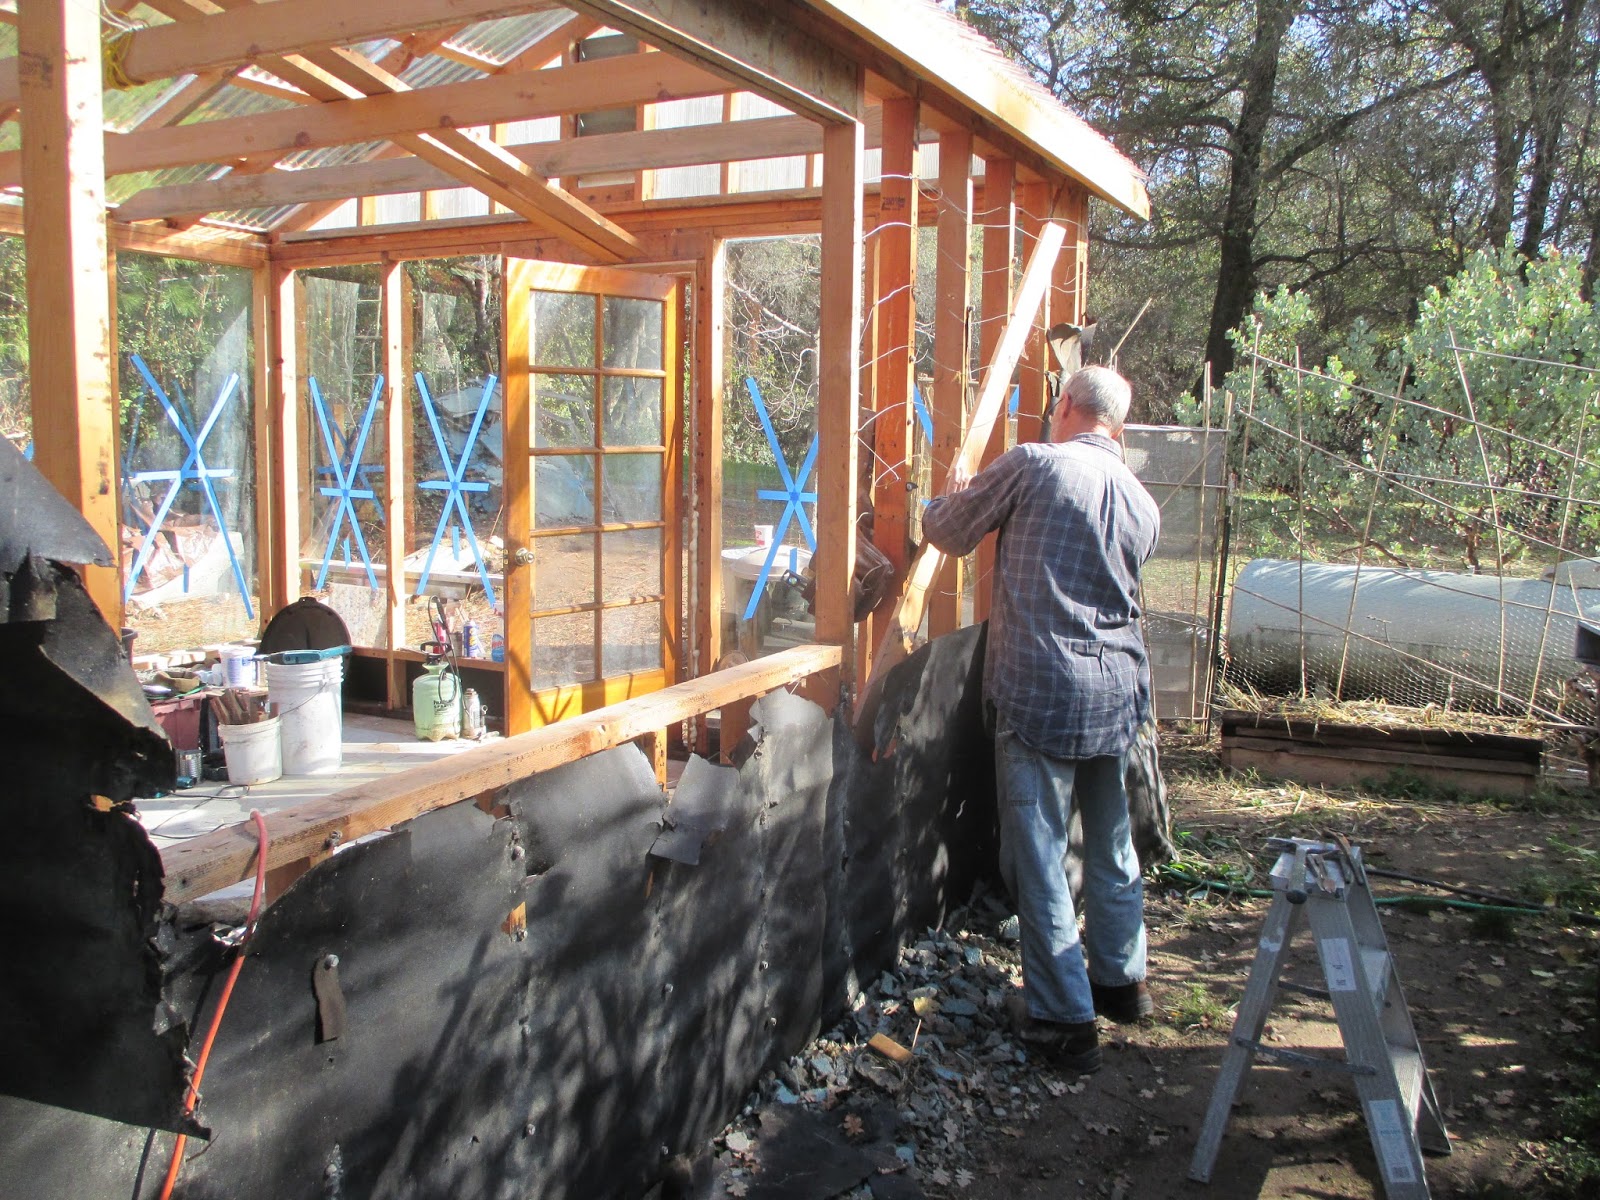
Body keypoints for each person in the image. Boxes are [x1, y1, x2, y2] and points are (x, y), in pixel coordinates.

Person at [920, 365, 1160, 1074]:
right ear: (1115, 426)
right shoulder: (1144, 503)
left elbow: (950, 532)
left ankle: (1061, 1017)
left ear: (1063, 408)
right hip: (1117, 695)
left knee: (1041, 852)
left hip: (1041, 692)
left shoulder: (1035, 465)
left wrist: (950, 496)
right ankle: (1122, 983)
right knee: (1113, 845)